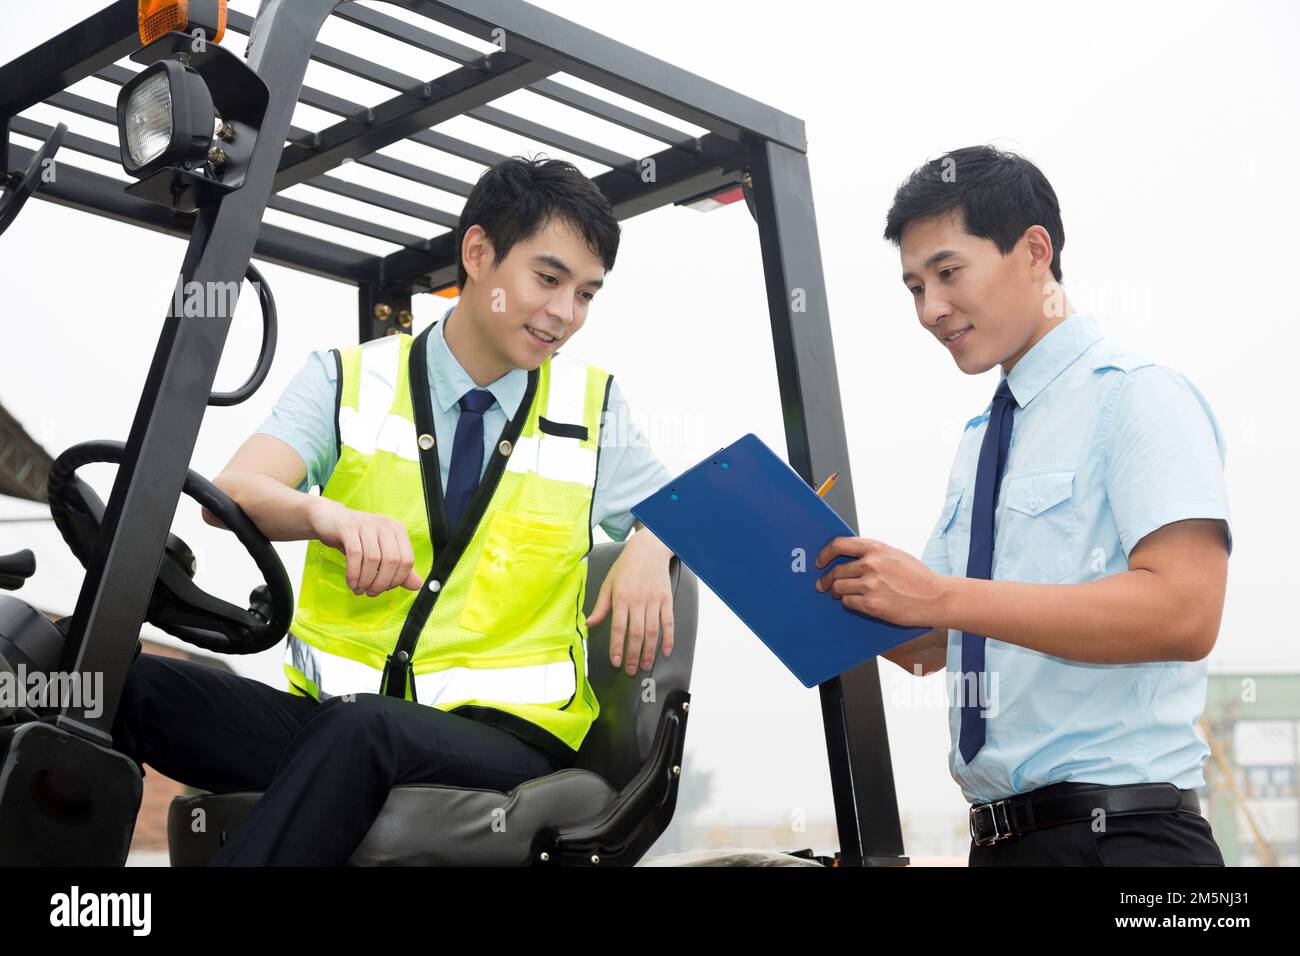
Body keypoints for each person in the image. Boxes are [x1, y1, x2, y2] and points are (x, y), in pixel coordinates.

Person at [111, 156, 678, 866]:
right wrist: (328, 517)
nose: (566, 314)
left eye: (587, 294)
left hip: (508, 741)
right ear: (478, 254)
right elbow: (233, 495)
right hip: (337, 728)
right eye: (548, 278)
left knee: (363, 730)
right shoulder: (349, 378)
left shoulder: (591, 408)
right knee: (119, 680)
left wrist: (654, 545)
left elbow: (688, 511)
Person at [813, 145, 1231, 866]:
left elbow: (1185, 613)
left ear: (1034, 252)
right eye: (914, 287)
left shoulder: (1136, 395)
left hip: (1124, 840)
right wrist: (816, 587)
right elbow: (927, 644)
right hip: (1003, 843)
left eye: (947, 274)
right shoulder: (983, 439)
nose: (930, 309)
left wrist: (940, 593)